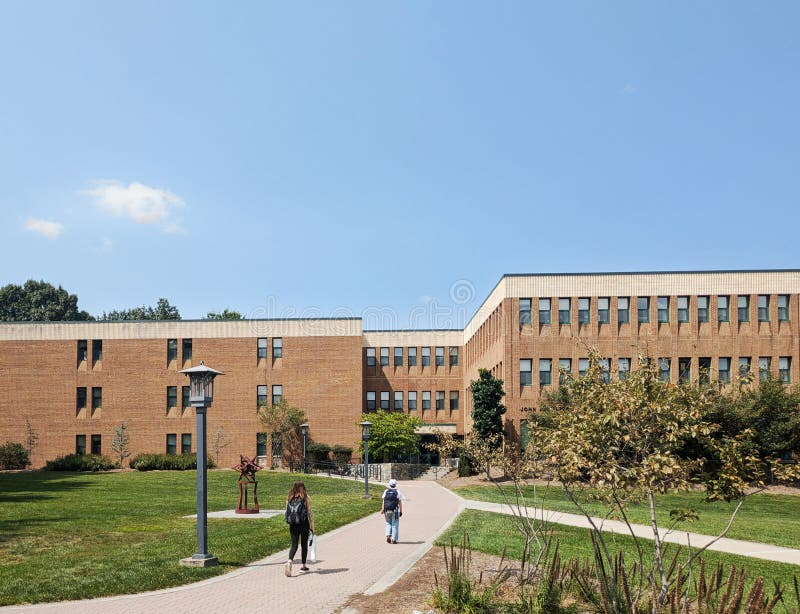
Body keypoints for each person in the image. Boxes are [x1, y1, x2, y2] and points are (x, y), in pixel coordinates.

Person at [284, 480, 315, 576]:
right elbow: (309, 513)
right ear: (303, 487)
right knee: (304, 545)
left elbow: (286, 511)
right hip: (304, 524)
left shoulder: (289, 497)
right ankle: (303, 566)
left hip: (293, 525)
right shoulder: (305, 497)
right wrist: (312, 527)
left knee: (294, 545)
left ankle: (289, 561)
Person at [380, 478, 403, 544]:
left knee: (388, 523)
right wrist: (401, 511)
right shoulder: (398, 492)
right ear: (395, 485)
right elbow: (400, 502)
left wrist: (382, 509)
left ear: (389, 484)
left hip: (387, 510)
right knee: (395, 524)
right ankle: (394, 539)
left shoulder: (386, 491)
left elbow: (384, 501)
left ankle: (388, 535)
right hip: (395, 511)